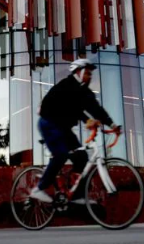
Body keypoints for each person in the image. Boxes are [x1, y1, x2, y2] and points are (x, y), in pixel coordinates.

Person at [29, 58, 121, 204]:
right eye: (88, 73)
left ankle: (77, 196)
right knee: (61, 155)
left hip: (63, 128)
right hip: (49, 123)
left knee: (82, 158)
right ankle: (38, 189)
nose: (90, 76)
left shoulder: (84, 92)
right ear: (79, 72)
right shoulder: (66, 85)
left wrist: (113, 125)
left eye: (90, 74)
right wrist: (87, 120)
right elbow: (69, 107)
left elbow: (96, 109)